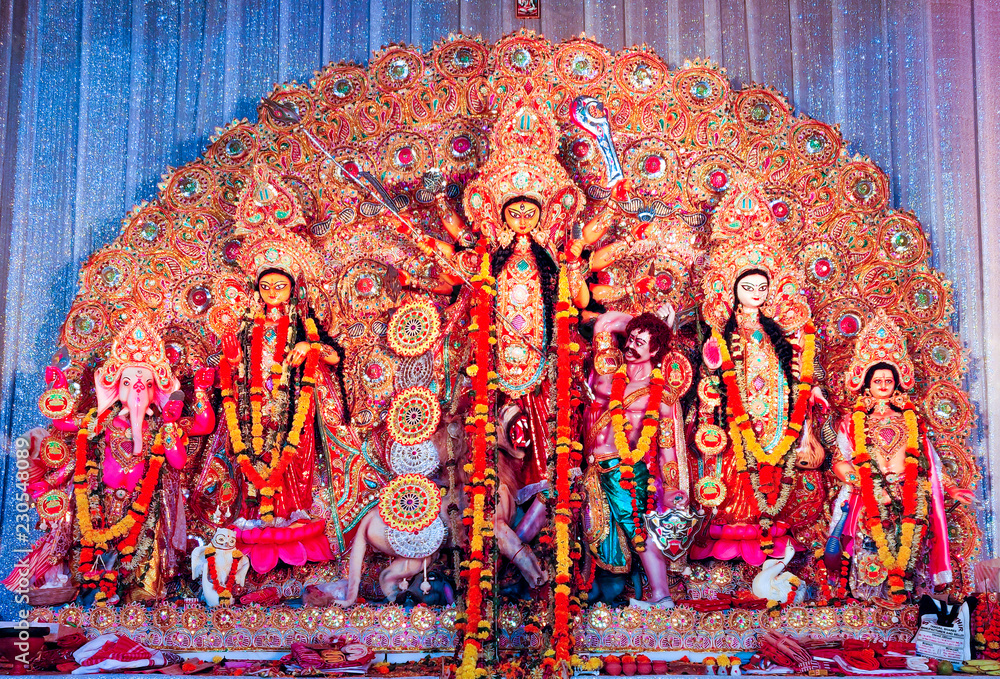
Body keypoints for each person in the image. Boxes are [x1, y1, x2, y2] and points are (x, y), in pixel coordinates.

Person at [829, 309, 974, 601]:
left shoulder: (911, 420)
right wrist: (858, 480)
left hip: (908, 497)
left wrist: (951, 487)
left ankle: (909, 612)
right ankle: (870, 609)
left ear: (897, 382)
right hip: (868, 496)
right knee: (870, 552)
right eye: (877, 381)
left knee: (910, 553)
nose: (883, 386)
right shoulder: (852, 421)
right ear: (866, 384)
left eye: (888, 380)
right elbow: (838, 459)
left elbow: (929, 462)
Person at [582, 309, 689, 605]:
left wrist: (670, 488)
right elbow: (604, 323)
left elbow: (667, 449)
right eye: (630, 339)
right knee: (593, 531)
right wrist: (645, 322)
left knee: (638, 529)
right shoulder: (607, 377)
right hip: (592, 471)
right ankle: (605, 594)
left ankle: (662, 597)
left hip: (626, 470)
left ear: (655, 350)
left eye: (641, 342)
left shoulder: (661, 396)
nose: (630, 346)